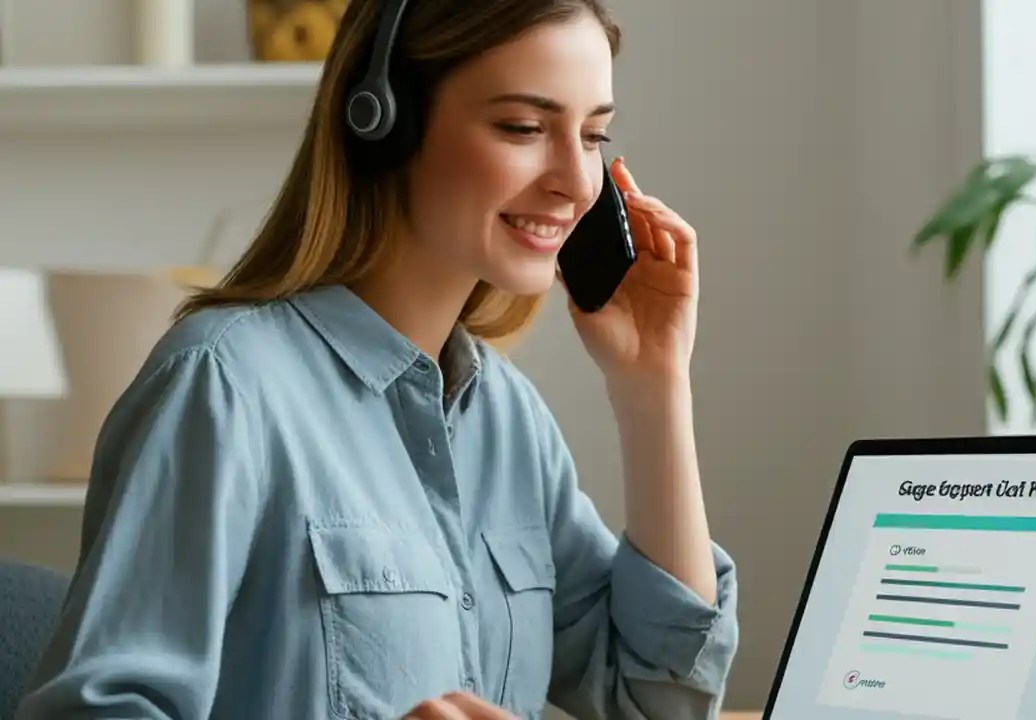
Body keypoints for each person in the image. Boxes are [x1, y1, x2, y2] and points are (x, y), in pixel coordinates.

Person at [15, 0, 739, 718]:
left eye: (592, 136)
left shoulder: (507, 420)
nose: (578, 184)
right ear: (383, 123)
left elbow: (660, 702)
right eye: (524, 127)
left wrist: (652, 386)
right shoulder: (223, 388)